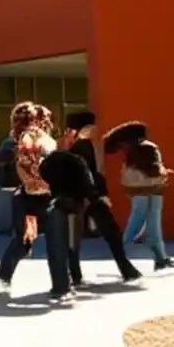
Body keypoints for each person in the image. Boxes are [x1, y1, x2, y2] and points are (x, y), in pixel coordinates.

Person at [0, 102, 74, 304]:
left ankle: (4, 271)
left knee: (25, 240)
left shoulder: (9, 143)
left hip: (25, 201)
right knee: (56, 243)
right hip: (47, 201)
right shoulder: (44, 142)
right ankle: (61, 288)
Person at [64, 112, 141, 282]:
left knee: (76, 236)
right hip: (88, 194)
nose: (96, 129)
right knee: (107, 232)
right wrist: (98, 194)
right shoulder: (83, 146)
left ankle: (76, 274)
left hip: (84, 194)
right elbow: (87, 173)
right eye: (92, 126)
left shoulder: (86, 144)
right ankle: (125, 268)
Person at [109, 121, 174, 271]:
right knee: (152, 223)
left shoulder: (131, 150)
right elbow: (153, 168)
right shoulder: (149, 147)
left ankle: (157, 257)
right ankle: (154, 257)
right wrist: (165, 172)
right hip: (153, 189)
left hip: (138, 190)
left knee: (137, 220)